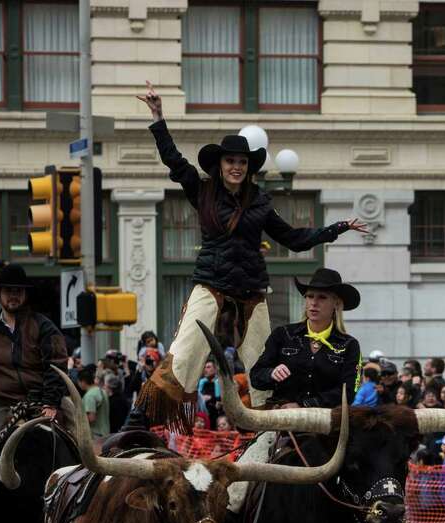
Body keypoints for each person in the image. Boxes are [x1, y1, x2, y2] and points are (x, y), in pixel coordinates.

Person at [132, 81, 366, 430]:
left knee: (261, 361)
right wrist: (158, 118)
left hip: (252, 289)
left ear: (248, 166)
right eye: (230, 161)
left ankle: (265, 430)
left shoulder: (259, 202)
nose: (236, 167)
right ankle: (142, 417)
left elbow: (294, 239)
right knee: (186, 348)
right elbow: (174, 161)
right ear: (221, 164)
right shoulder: (202, 190)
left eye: (242, 162)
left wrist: (336, 228)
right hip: (211, 283)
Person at [0, 264, 67, 456]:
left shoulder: (44, 327)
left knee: (77, 450)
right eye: (8, 291)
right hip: (2, 407)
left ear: (25, 295)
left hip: (42, 404)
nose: (13, 295)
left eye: (18, 291)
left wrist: (51, 402)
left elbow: (56, 366)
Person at [250, 268, 361, 409]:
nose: (314, 303)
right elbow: (255, 376)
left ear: (336, 304)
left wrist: (304, 405)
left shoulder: (349, 345)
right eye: (309, 296)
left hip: (325, 423)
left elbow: (350, 392)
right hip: (281, 418)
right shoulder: (283, 334)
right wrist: (271, 373)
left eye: (322, 297)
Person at [78, 365, 110, 439]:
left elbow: (91, 418)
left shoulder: (90, 395)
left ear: (83, 381)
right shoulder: (102, 391)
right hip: (105, 433)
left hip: (95, 435)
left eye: (79, 381)